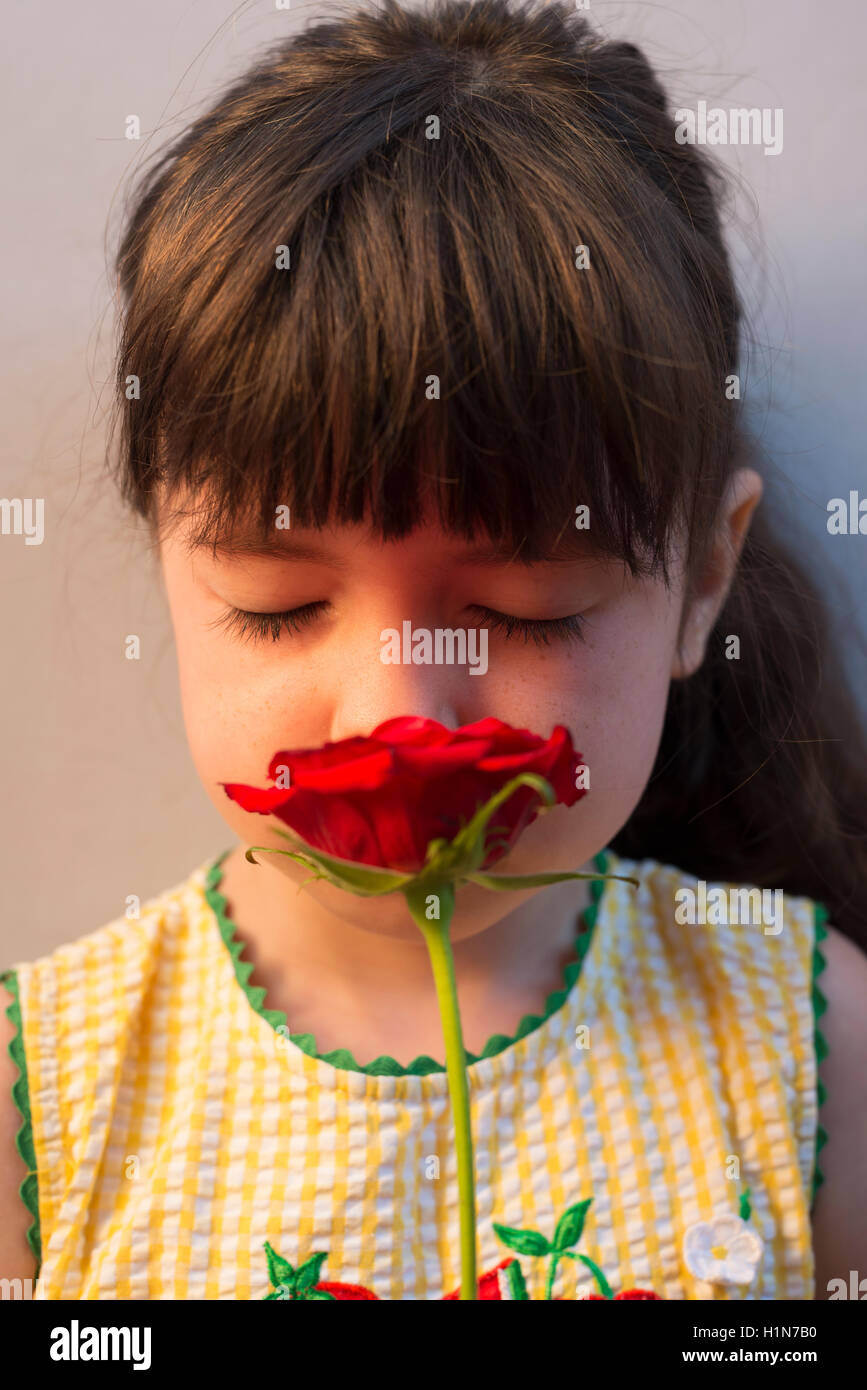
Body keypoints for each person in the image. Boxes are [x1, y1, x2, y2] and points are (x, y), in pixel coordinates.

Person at [2, 0, 866, 1301]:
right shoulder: (47, 1113)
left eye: (532, 609)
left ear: (702, 578)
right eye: (279, 603)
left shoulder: (815, 1054)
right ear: (173, 566)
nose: (402, 708)